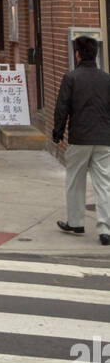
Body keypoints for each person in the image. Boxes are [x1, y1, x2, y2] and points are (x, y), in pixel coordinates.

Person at [53, 35, 110, 245]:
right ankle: (105, 229)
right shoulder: (106, 78)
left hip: (79, 138)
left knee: (75, 181)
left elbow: (62, 108)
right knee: (104, 184)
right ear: (95, 54)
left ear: (77, 54)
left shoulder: (71, 78)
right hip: (104, 138)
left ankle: (76, 222)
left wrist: (57, 132)